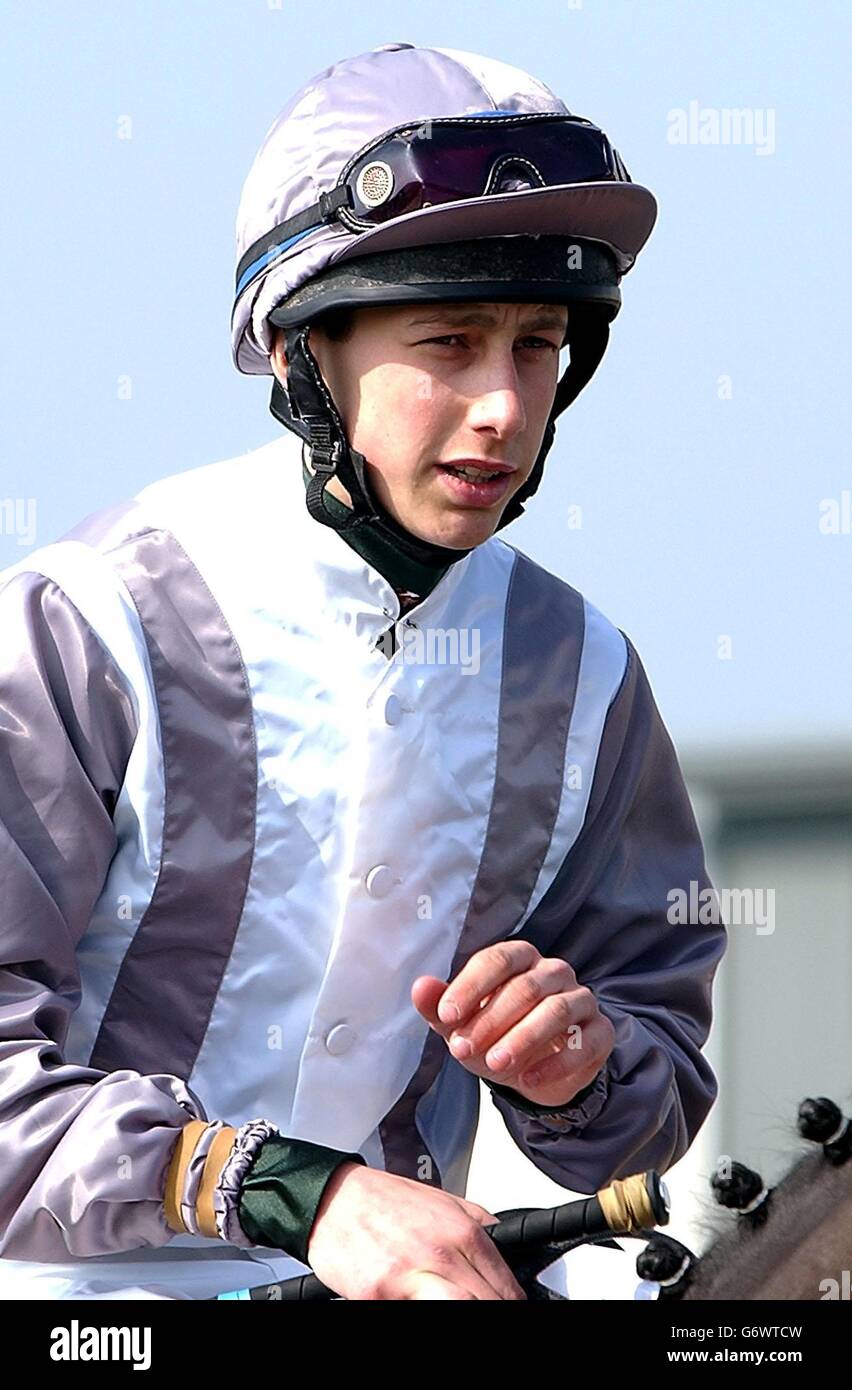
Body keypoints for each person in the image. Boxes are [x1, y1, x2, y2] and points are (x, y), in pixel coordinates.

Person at [0, 42, 726, 1301]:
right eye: (450, 341)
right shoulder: (85, 624)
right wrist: (293, 1189)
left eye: (539, 347)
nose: (504, 405)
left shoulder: (589, 676)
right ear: (299, 359)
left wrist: (580, 1066)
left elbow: (653, 1091)